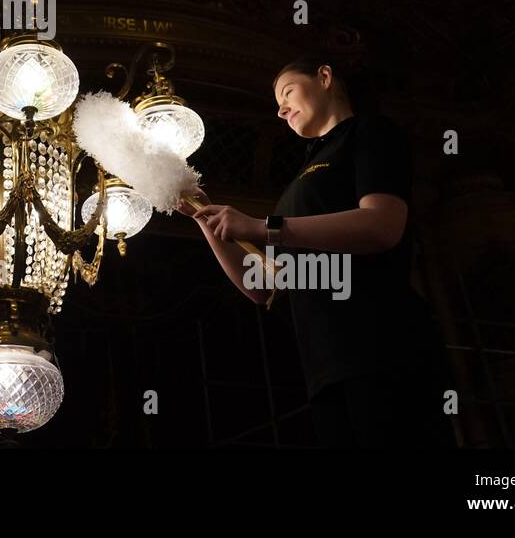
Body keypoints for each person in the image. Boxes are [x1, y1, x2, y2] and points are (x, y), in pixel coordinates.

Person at [187, 58, 454, 447]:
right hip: (325, 368)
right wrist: (201, 217)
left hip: (383, 348)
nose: (280, 109)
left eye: (287, 92)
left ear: (325, 78)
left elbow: (383, 225)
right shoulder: (304, 174)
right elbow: (265, 285)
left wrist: (265, 227)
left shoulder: (369, 131)